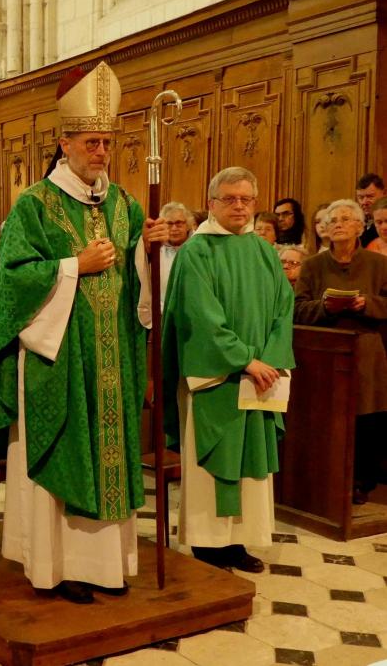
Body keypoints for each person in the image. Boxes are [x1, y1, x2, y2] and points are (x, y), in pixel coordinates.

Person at [0, 62, 167, 605]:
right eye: (90, 140)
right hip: (57, 361)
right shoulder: (34, 204)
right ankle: (59, 569)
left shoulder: (125, 204)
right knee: (67, 450)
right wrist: (71, 267)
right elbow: (9, 285)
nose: (101, 151)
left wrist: (145, 249)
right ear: (64, 143)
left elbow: (139, 284)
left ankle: (107, 566)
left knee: (109, 451)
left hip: (110, 363)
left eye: (107, 141)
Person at [162, 166, 295, 573]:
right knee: (214, 460)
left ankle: (239, 541)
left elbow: (283, 308)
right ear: (212, 204)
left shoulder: (261, 251)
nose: (239, 206)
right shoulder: (196, 252)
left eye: (246, 199)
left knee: (251, 464)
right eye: (229, 199)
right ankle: (208, 544)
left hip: (259, 377)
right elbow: (200, 317)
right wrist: (244, 360)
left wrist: (269, 359)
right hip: (219, 377)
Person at [294, 199, 387, 505]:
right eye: (333, 219)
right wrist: (324, 307)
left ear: (361, 226)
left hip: (367, 352)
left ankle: (361, 482)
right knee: (326, 422)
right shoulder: (312, 265)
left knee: (366, 423)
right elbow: (296, 309)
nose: (338, 224)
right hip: (325, 353)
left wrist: (367, 304)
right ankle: (325, 479)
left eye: (346, 219)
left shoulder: (378, 264)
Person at [160, 201, 194, 307]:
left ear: (188, 225)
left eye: (179, 223)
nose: (174, 228)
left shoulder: (197, 247)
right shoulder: (156, 250)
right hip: (162, 312)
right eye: (169, 224)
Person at [356, 173, 385, 247]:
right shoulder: (356, 222)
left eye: (370, 196)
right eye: (361, 197)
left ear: (384, 194)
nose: (364, 202)